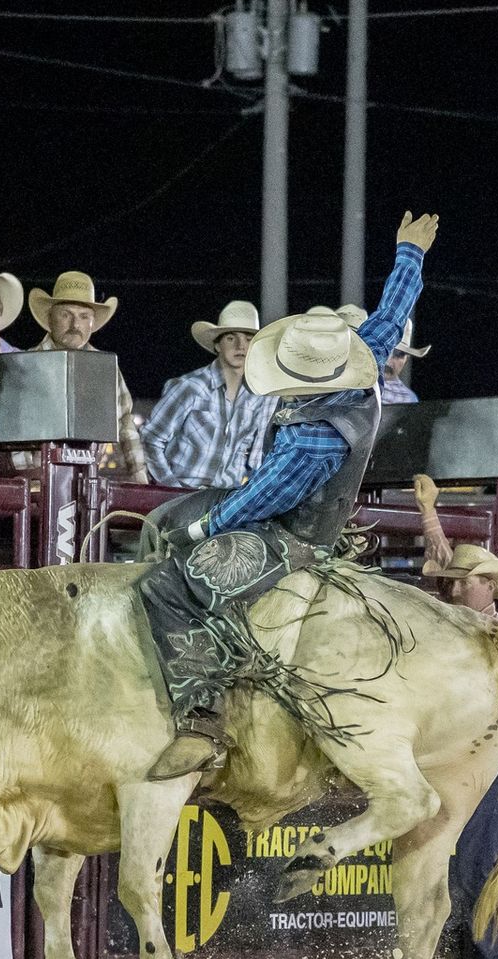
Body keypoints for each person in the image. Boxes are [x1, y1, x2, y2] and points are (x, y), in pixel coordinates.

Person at [136, 211, 437, 780]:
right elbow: (390, 316)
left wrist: (201, 530)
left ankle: (201, 719)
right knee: (172, 516)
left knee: (167, 585)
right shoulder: (360, 370)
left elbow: (262, 500)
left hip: (291, 536)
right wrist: (409, 254)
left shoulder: (315, 435)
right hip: (294, 515)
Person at [414, 472, 498, 959]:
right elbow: (444, 566)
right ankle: (467, 954)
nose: (456, 588)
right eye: (457, 583)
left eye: (467, 582)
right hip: (469, 759)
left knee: (479, 862)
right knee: (453, 859)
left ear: (489, 587)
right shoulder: (471, 624)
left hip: (493, 761)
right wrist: (428, 514)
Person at [140, 301, 277, 490]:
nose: (241, 346)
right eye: (231, 338)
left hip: (226, 496)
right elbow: (150, 439)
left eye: (248, 339)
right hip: (183, 490)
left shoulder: (259, 397)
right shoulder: (190, 387)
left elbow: (255, 456)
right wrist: (172, 489)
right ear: (218, 345)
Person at [29, 271, 145, 482]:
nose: (75, 325)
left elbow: (125, 423)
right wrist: (27, 475)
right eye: (66, 315)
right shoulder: (27, 365)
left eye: (84, 317)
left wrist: (140, 477)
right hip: (37, 479)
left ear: (92, 322)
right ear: (50, 318)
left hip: (88, 479)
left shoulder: (106, 367)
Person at [381, 320, 429, 404]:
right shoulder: (357, 383)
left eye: (398, 354)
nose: (389, 359)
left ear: (406, 359)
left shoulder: (409, 399)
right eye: (386, 351)